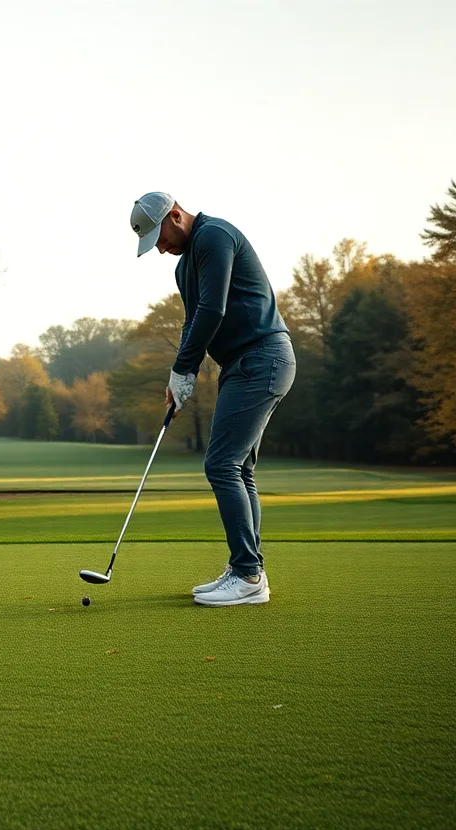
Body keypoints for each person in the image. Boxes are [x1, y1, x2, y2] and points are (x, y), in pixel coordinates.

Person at [129, 192, 296, 607]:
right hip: (242, 365)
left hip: (263, 358)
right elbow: (192, 321)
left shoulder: (214, 236)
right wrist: (179, 375)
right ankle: (248, 568)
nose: (161, 249)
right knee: (239, 469)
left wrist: (185, 368)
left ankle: (247, 574)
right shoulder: (186, 265)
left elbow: (213, 309)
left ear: (175, 215)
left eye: (160, 238)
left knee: (221, 463)